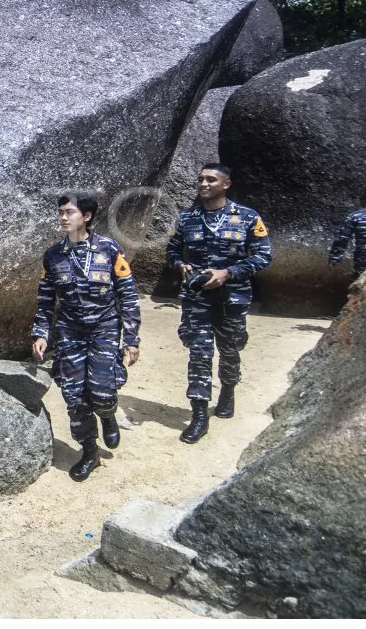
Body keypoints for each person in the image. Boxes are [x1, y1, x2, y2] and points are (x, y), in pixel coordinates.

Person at [31, 193, 140, 481]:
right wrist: (41, 333)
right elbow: (45, 300)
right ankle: (89, 451)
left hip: (104, 329)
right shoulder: (53, 255)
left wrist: (131, 338)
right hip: (70, 332)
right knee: (74, 396)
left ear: (87, 216)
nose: (64, 218)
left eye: (70, 212)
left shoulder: (108, 249)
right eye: (61, 213)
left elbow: (127, 294)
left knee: (102, 393)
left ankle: (107, 413)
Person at [165, 163, 271, 444]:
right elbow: (173, 248)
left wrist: (228, 273)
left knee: (230, 350)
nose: (203, 184)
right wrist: (180, 264)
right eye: (200, 179)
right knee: (199, 354)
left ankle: (228, 389)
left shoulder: (248, 217)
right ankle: (199, 415)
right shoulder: (187, 218)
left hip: (233, 298)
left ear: (226, 184)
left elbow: (263, 256)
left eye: (211, 179)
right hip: (197, 298)